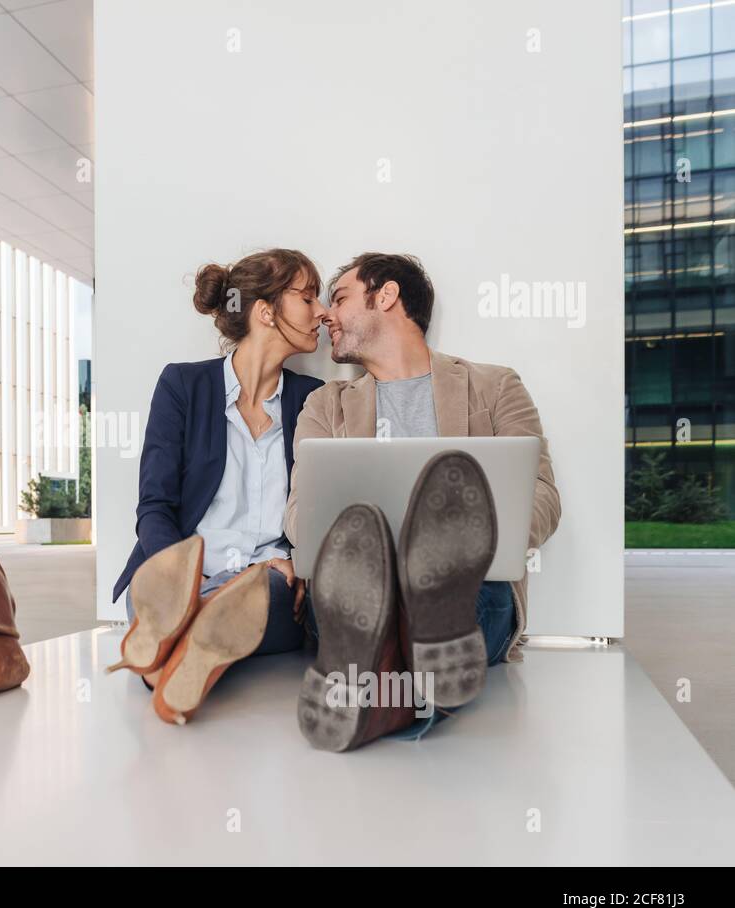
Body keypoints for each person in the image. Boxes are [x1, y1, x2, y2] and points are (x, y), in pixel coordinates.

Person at [286, 252, 561, 750]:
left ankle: (375, 679)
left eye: (341, 298)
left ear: (386, 295)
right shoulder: (325, 405)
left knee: (446, 586)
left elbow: (541, 494)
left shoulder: (495, 386)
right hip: (359, 586)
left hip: (473, 589)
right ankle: (410, 687)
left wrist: (474, 535)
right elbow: (299, 512)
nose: (327, 314)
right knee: (360, 588)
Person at [107, 248, 327, 724]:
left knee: (253, 600)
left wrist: (294, 558)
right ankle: (191, 636)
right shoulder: (183, 386)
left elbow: (323, 508)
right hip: (179, 571)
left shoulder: (313, 401)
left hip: (265, 580)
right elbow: (154, 507)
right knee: (163, 596)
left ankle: (164, 658)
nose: (321, 312)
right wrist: (182, 575)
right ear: (266, 312)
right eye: (307, 298)